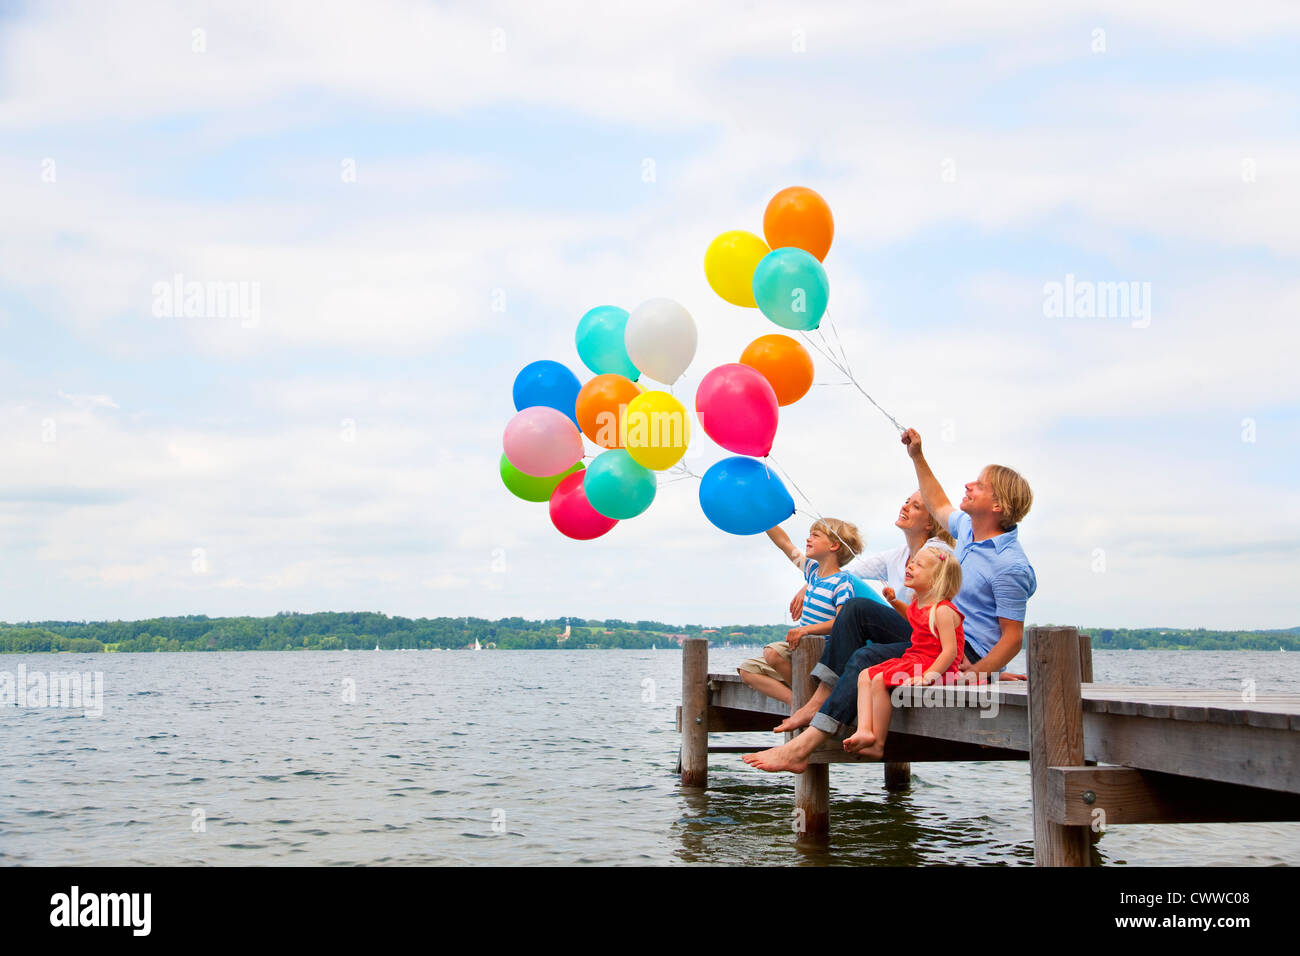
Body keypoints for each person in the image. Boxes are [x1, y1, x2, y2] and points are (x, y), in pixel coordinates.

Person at [746, 428, 1037, 771]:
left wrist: (978, 672)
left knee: (866, 657)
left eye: (979, 485)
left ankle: (804, 746)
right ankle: (819, 701)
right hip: (928, 634)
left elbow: (1012, 636)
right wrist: (916, 455)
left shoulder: (1010, 566)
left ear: (997, 505)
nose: (968, 486)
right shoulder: (967, 531)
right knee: (855, 610)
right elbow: (938, 500)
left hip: (960, 652)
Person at [841, 543, 964, 758]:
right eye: (912, 562)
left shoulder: (943, 610)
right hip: (917, 659)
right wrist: (895, 602)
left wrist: (928, 677)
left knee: (879, 680)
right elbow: (914, 619)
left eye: (919, 565)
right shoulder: (919, 605)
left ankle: (878, 743)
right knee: (864, 675)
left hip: (937, 667)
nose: (910, 566)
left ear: (936, 579)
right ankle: (864, 730)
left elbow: (950, 652)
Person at [736, 518, 861, 706]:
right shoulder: (812, 572)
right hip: (801, 651)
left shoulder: (842, 582)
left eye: (815, 536)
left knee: (772, 653)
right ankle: (801, 703)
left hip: (823, 653)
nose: (808, 539)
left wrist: (805, 630)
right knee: (748, 670)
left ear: (834, 545)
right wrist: (762, 515)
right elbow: (784, 543)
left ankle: (809, 699)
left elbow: (841, 622)